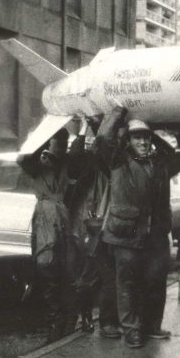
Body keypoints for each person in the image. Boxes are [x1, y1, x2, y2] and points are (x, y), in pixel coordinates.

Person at [96, 107, 180, 349]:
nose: (142, 141)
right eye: (137, 137)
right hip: (125, 234)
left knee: (155, 280)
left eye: (146, 137)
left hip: (155, 235)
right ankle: (131, 330)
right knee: (127, 284)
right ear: (128, 141)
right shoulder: (118, 161)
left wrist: (175, 131)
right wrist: (118, 113)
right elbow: (103, 140)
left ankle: (152, 326)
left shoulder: (161, 163)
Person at [17, 128, 85, 342]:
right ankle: (55, 316)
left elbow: (78, 158)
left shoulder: (67, 162)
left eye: (65, 141)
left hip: (65, 216)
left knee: (70, 267)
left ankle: (68, 318)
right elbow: (24, 160)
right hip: (47, 217)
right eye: (58, 140)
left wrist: (82, 134)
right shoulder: (40, 161)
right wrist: (40, 139)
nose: (62, 145)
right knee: (46, 262)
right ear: (49, 142)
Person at [66, 116, 121, 338]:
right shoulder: (87, 168)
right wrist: (85, 129)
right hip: (86, 227)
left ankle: (92, 316)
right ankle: (86, 314)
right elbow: (75, 158)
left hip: (101, 226)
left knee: (98, 275)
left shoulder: (109, 167)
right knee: (87, 274)